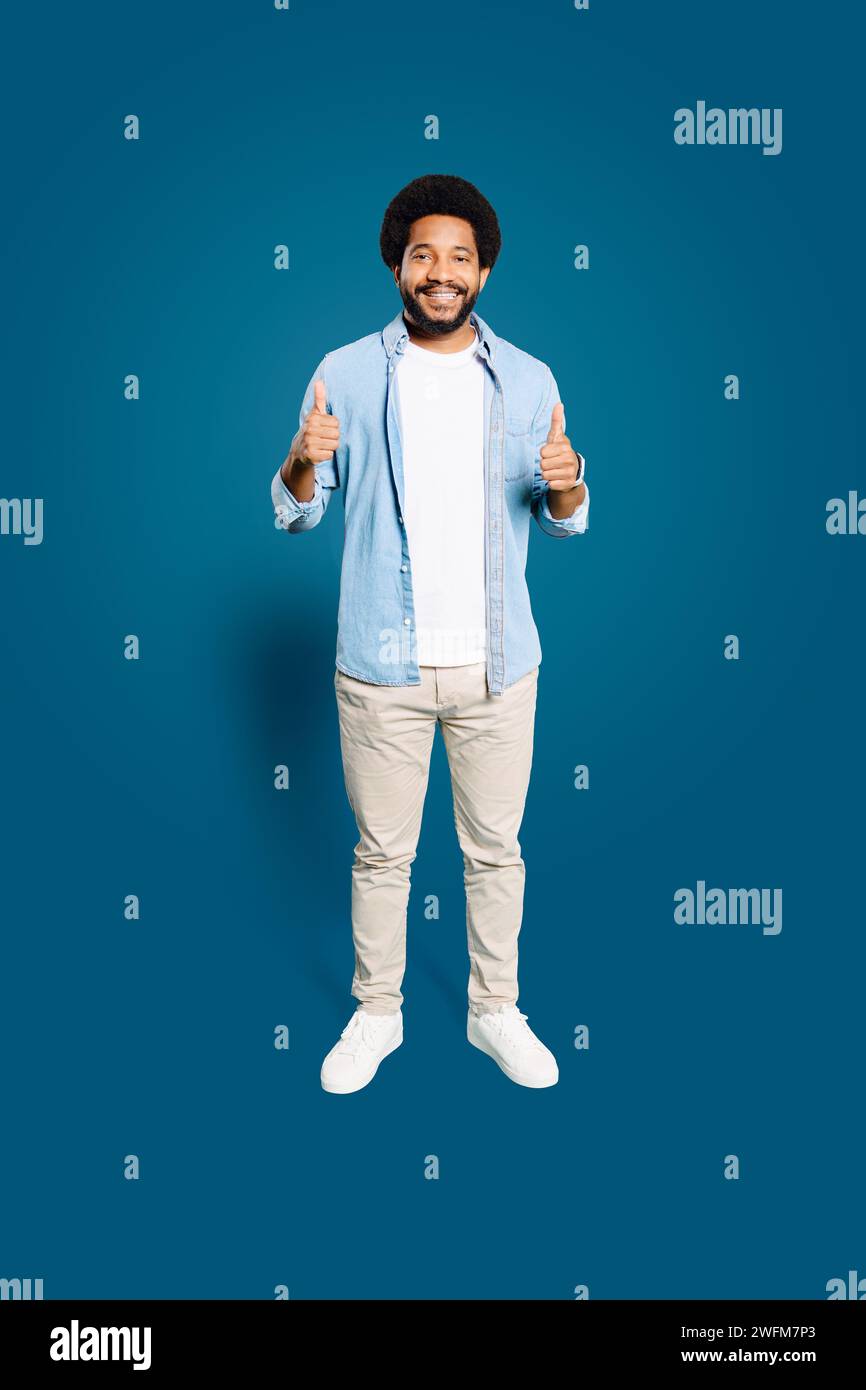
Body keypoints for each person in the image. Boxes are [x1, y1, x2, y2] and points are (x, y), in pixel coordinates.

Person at [270, 174, 590, 1094]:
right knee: (383, 854)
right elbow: (297, 515)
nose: (440, 272)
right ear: (398, 266)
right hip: (380, 667)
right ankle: (378, 1015)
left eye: (459, 257)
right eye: (423, 255)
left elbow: (567, 518)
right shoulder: (345, 372)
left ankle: (496, 1011)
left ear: (483, 270)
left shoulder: (530, 379)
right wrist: (299, 462)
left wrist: (567, 481)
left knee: (497, 851)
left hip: (497, 667)